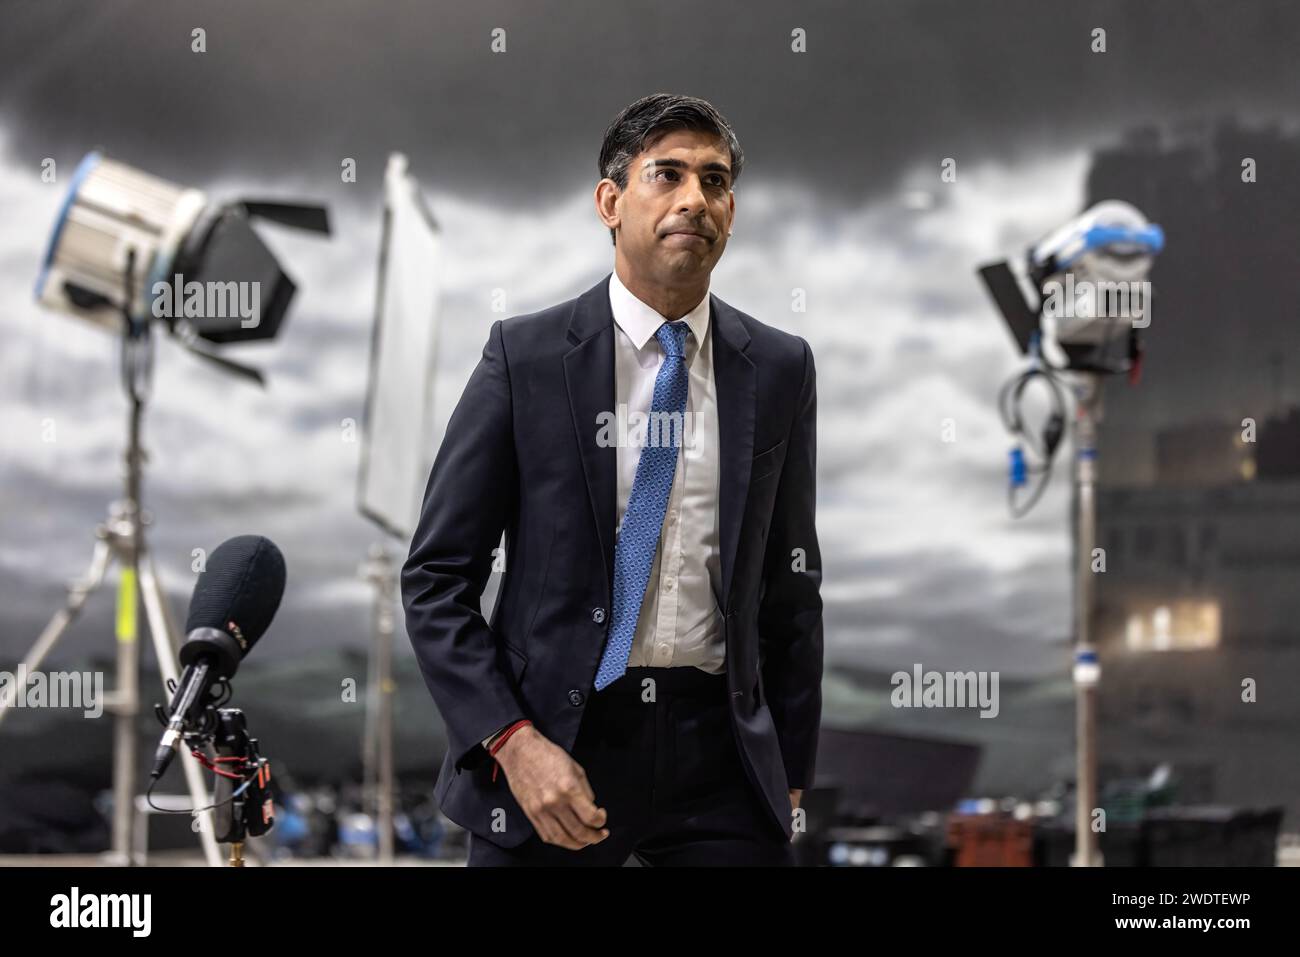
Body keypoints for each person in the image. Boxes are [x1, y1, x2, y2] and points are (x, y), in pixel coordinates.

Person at [400, 92, 823, 866]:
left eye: (717, 180)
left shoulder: (781, 367)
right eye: (667, 174)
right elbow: (435, 580)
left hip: (721, 753)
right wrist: (513, 742)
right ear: (610, 201)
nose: (696, 198)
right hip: (556, 741)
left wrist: (790, 769)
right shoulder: (523, 358)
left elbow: (793, 590)